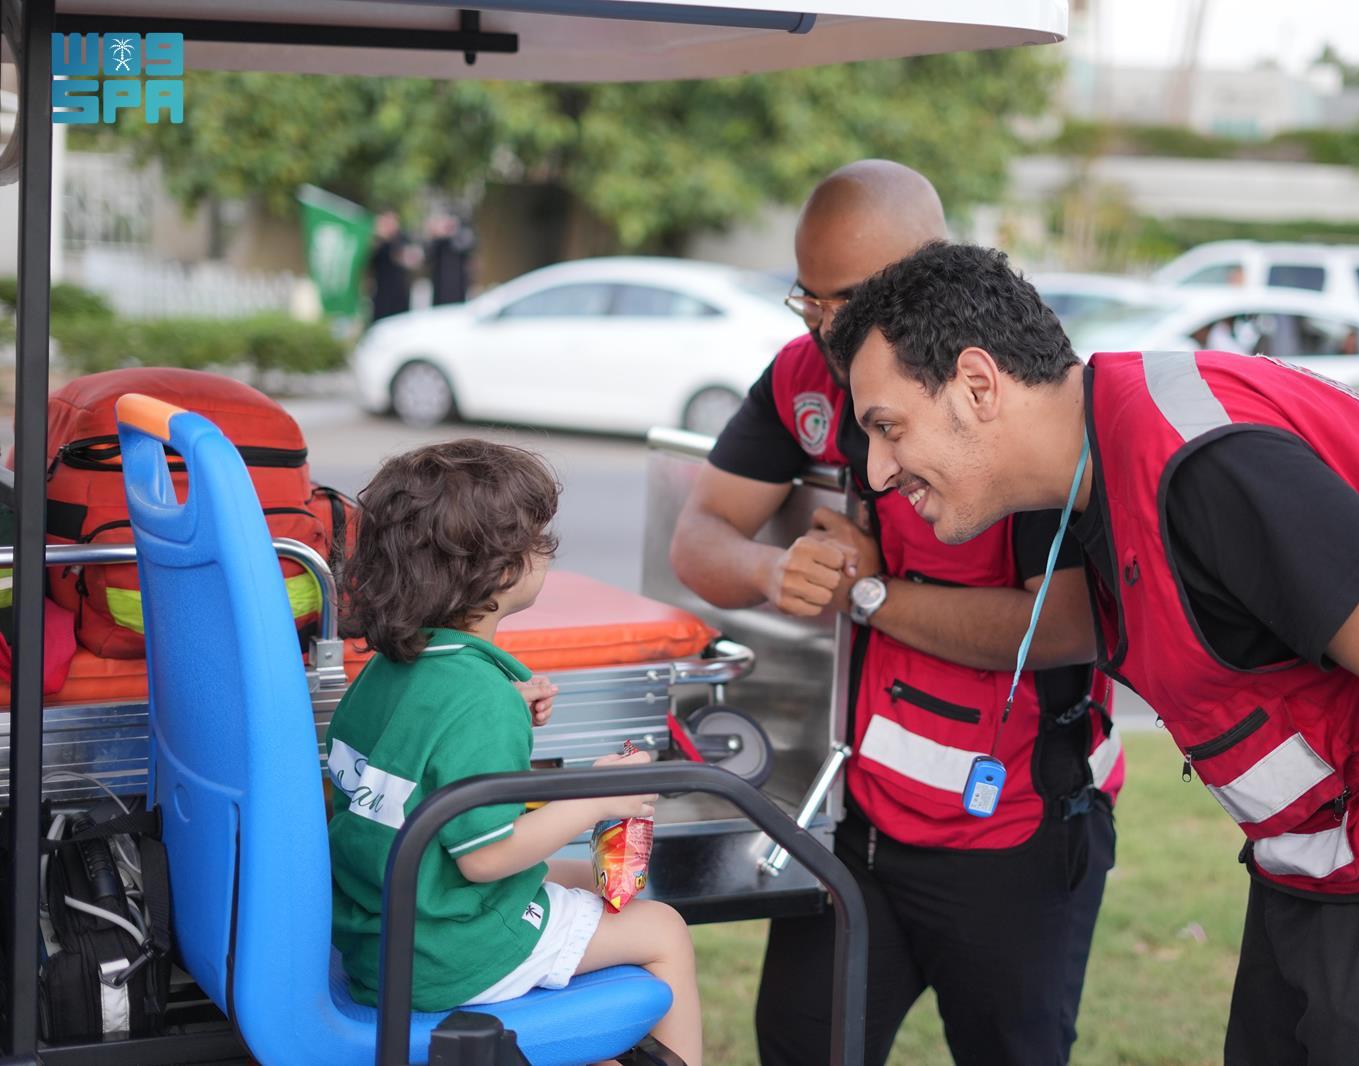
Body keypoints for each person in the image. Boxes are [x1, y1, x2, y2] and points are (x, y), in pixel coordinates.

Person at [830, 240, 1359, 1066]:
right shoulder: (1101, 455)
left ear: (979, 385)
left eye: (887, 428)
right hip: (1337, 849)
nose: (878, 470)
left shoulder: (1198, 463)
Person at [669, 161, 1122, 1066]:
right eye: (809, 300)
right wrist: (774, 567)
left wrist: (869, 597)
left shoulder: (1015, 398)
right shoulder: (806, 372)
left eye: (849, 300)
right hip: (853, 819)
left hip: (1013, 834)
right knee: (798, 1046)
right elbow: (698, 534)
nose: (826, 327)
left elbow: (1066, 627)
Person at [328, 439, 702, 1066]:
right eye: (538, 540)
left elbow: (415, 774)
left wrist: (504, 711)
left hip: (385, 935)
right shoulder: (479, 699)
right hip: (449, 955)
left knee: (595, 885)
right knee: (662, 928)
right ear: (499, 570)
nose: (545, 553)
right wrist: (596, 797)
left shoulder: (388, 669)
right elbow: (487, 858)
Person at [369, 210, 416, 322]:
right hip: (382, 290)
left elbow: (409, 258)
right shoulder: (376, 239)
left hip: (399, 290)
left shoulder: (402, 238)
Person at [427, 210, 476, 306]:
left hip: (458, 290)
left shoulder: (460, 237)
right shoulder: (438, 242)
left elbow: (464, 247)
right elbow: (428, 256)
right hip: (440, 291)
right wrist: (437, 235)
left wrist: (451, 233)